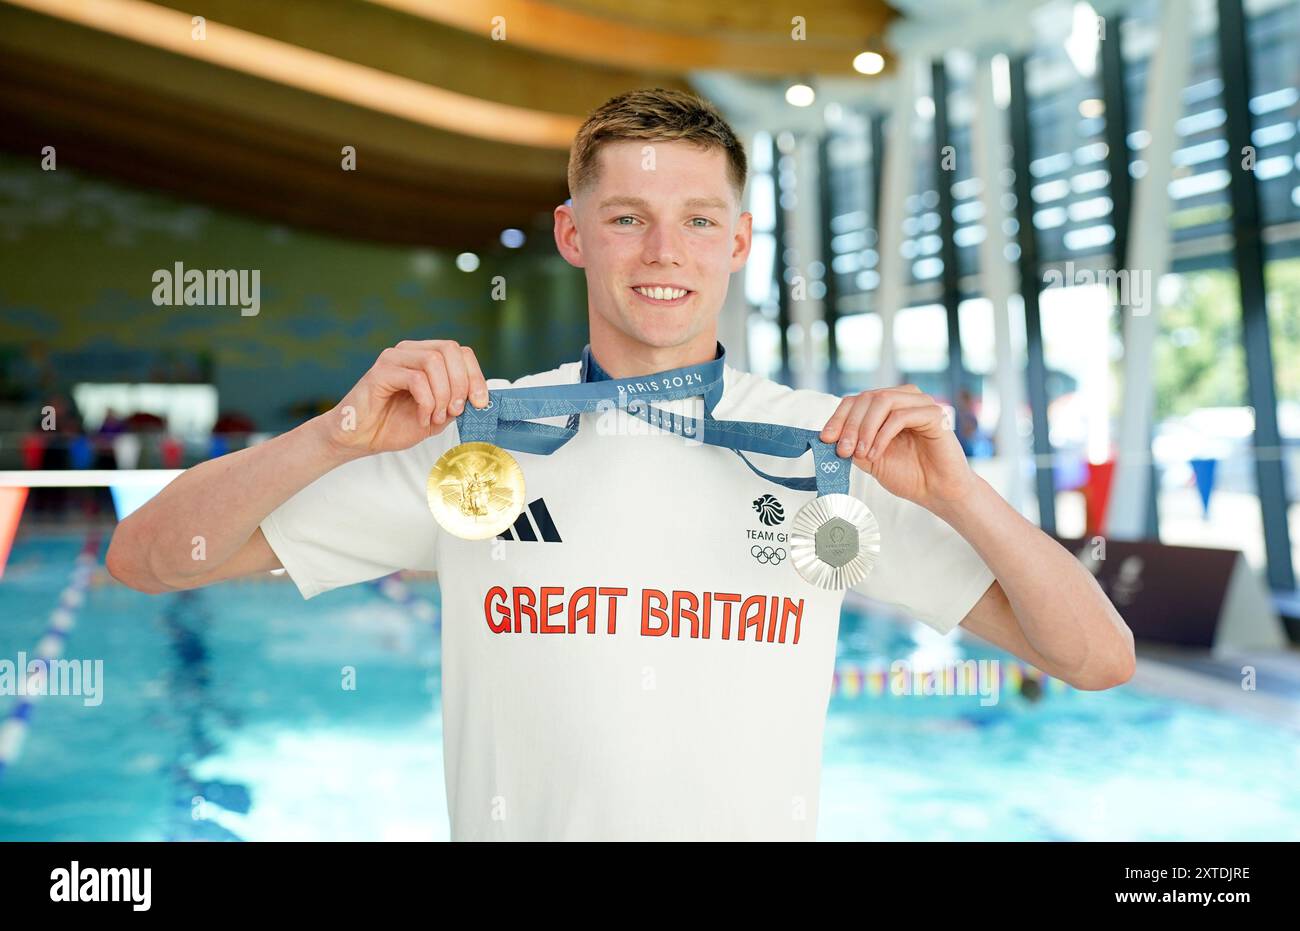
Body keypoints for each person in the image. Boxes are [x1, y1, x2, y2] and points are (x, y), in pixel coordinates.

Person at [106, 88, 1134, 841]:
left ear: (736, 244)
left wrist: (960, 493)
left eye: (695, 222)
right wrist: (336, 432)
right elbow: (149, 557)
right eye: (627, 219)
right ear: (572, 235)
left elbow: (1096, 660)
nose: (662, 253)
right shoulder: (478, 442)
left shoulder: (825, 457)